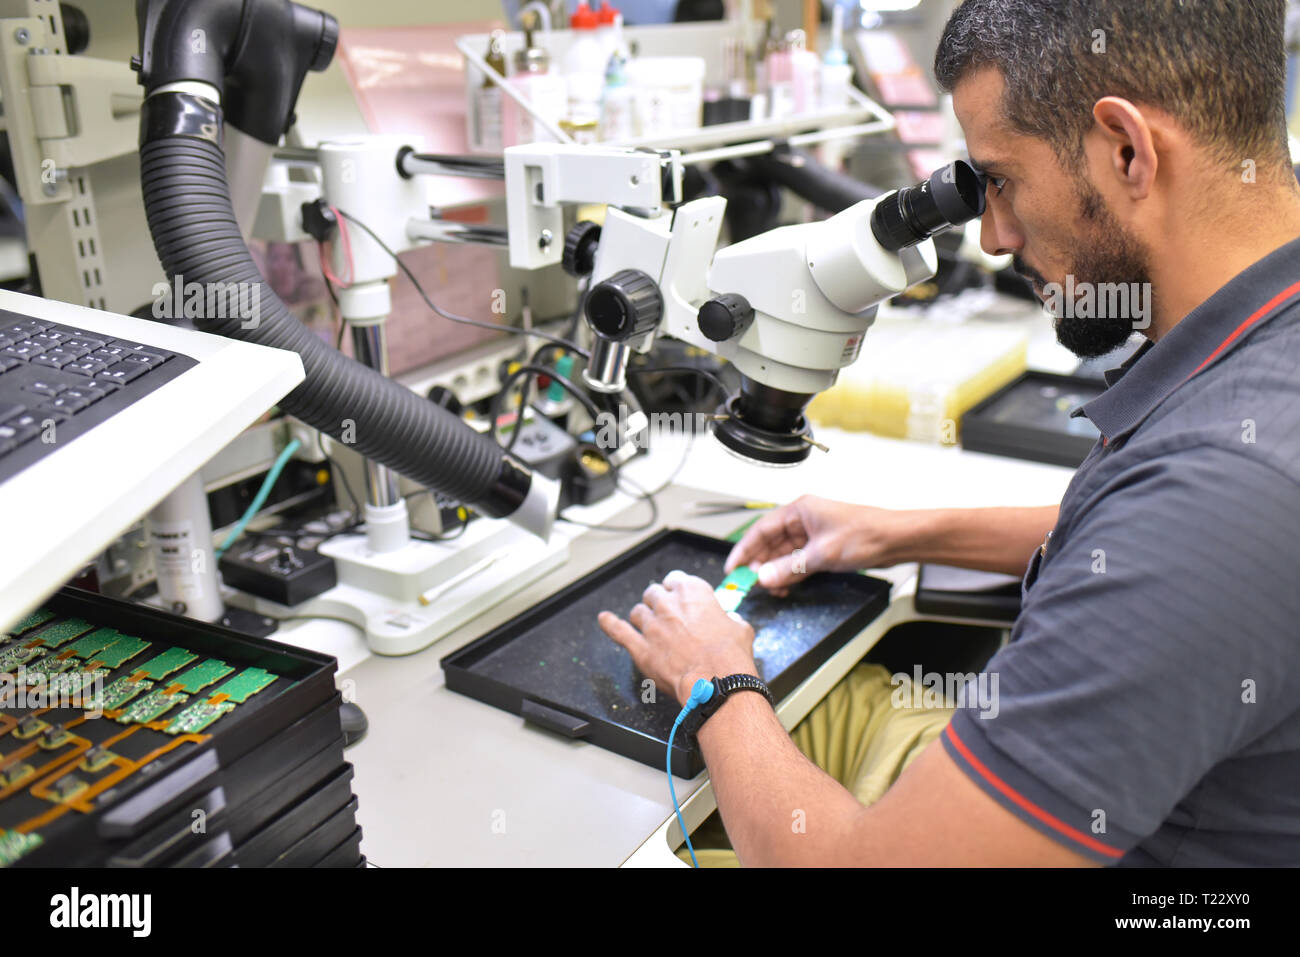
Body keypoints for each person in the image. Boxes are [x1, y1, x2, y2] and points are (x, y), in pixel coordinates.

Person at [599, 0, 1300, 866]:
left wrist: (715, 677)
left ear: (1128, 149)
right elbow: (1139, 544)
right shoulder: (1259, 352)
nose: (997, 237)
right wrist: (901, 531)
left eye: (1000, 181)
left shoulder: (1220, 496)